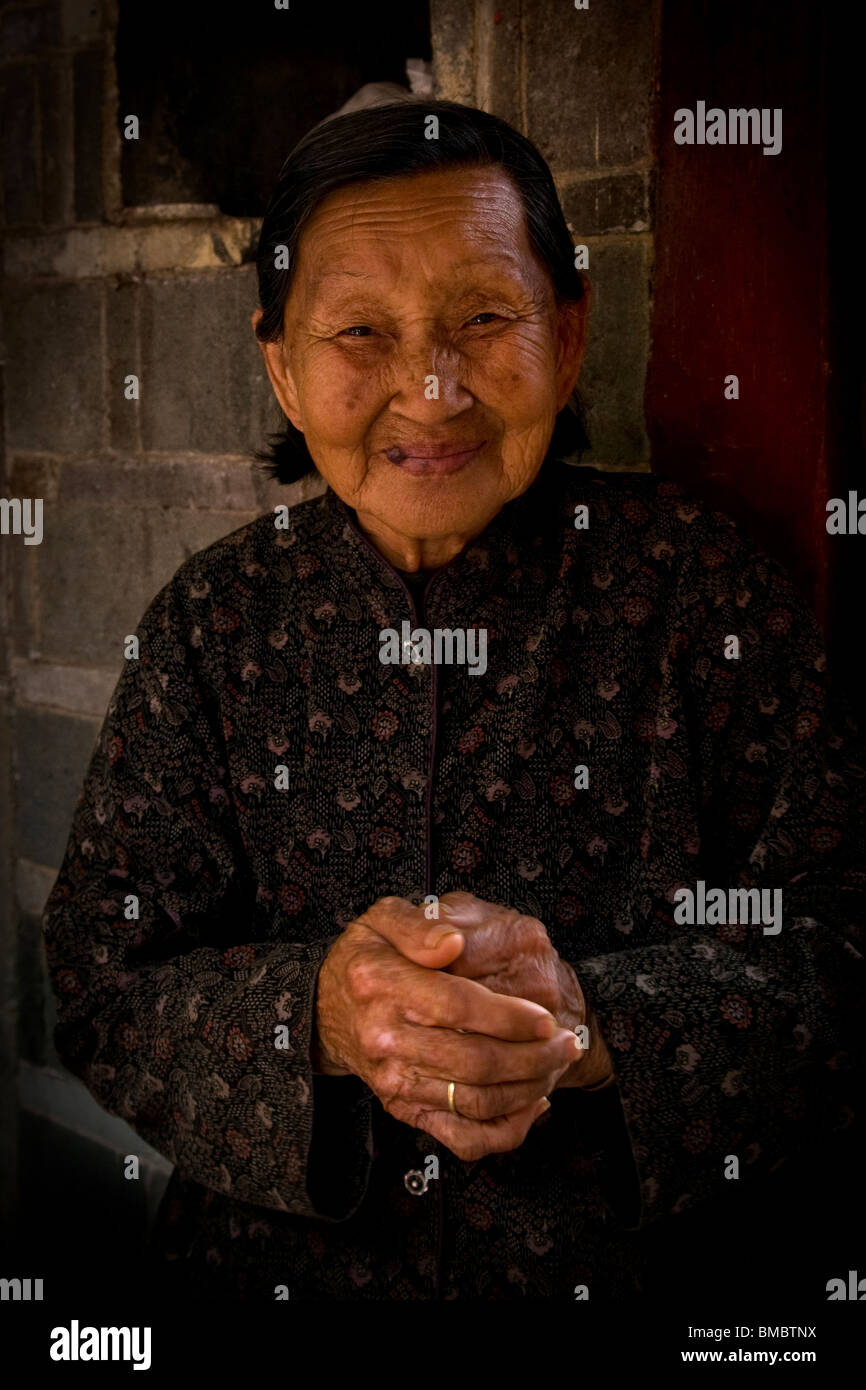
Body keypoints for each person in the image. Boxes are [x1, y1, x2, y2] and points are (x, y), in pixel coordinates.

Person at [42, 99, 865, 1301]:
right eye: (360, 330)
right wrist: (318, 1013)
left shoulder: (702, 593)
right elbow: (101, 980)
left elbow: (846, 940)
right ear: (280, 362)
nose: (429, 391)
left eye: (483, 318)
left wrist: (591, 1026)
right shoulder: (214, 622)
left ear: (568, 334)